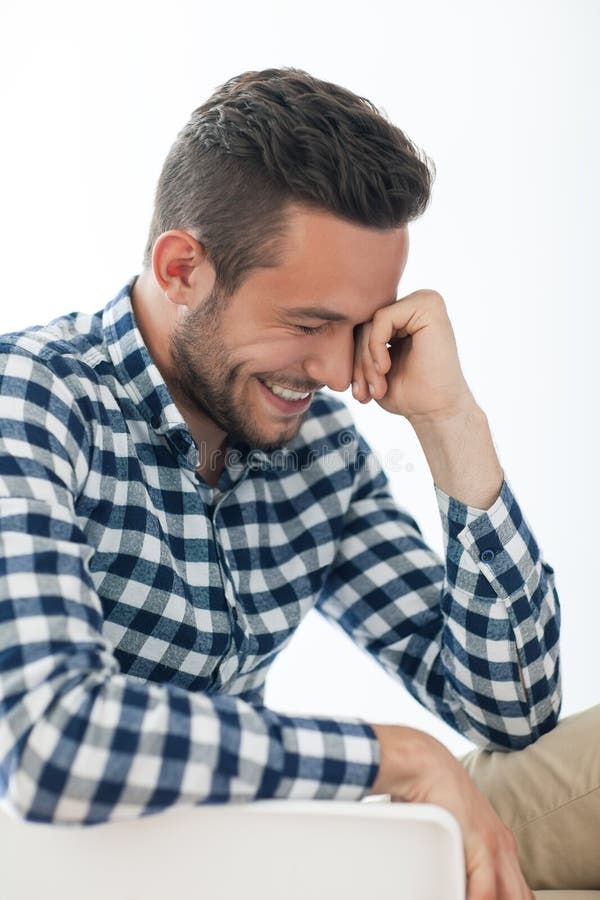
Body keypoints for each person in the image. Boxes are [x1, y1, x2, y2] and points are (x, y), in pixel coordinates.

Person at [0, 66, 594, 897]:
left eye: (359, 327)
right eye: (309, 323)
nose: (338, 371)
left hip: (252, 860)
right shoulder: (31, 399)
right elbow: (53, 744)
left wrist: (451, 421)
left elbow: (512, 713)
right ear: (181, 269)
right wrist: (399, 757)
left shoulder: (318, 452)